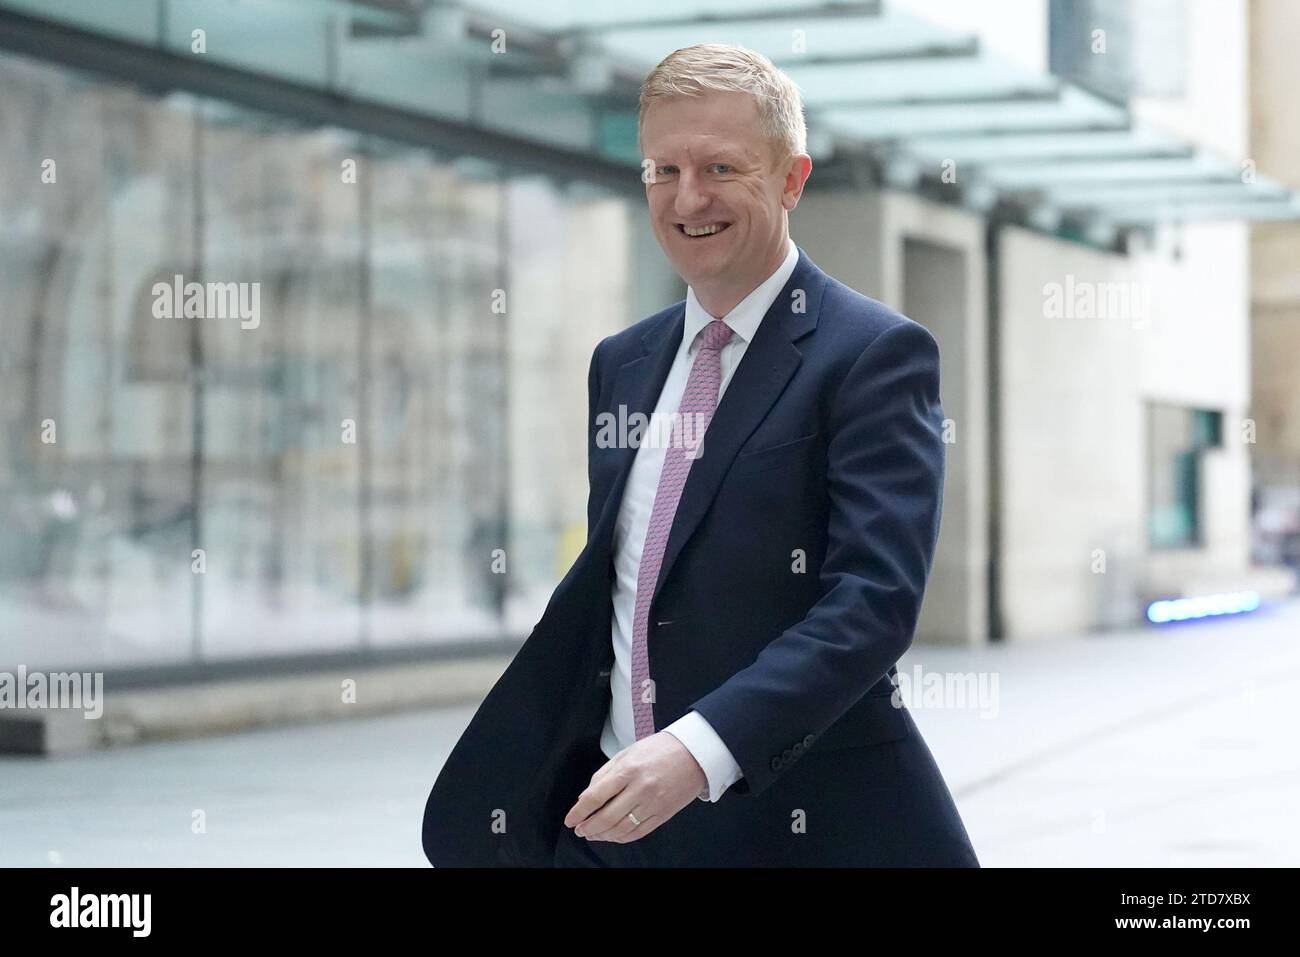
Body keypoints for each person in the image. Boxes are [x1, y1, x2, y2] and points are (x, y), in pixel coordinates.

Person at [422, 42, 978, 867]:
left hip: (803, 823)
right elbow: (630, 580)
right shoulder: (623, 362)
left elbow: (872, 604)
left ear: (792, 179)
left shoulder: (875, 355)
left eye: (721, 167)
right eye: (662, 170)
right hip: (617, 824)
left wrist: (699, 749)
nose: (688, 198)